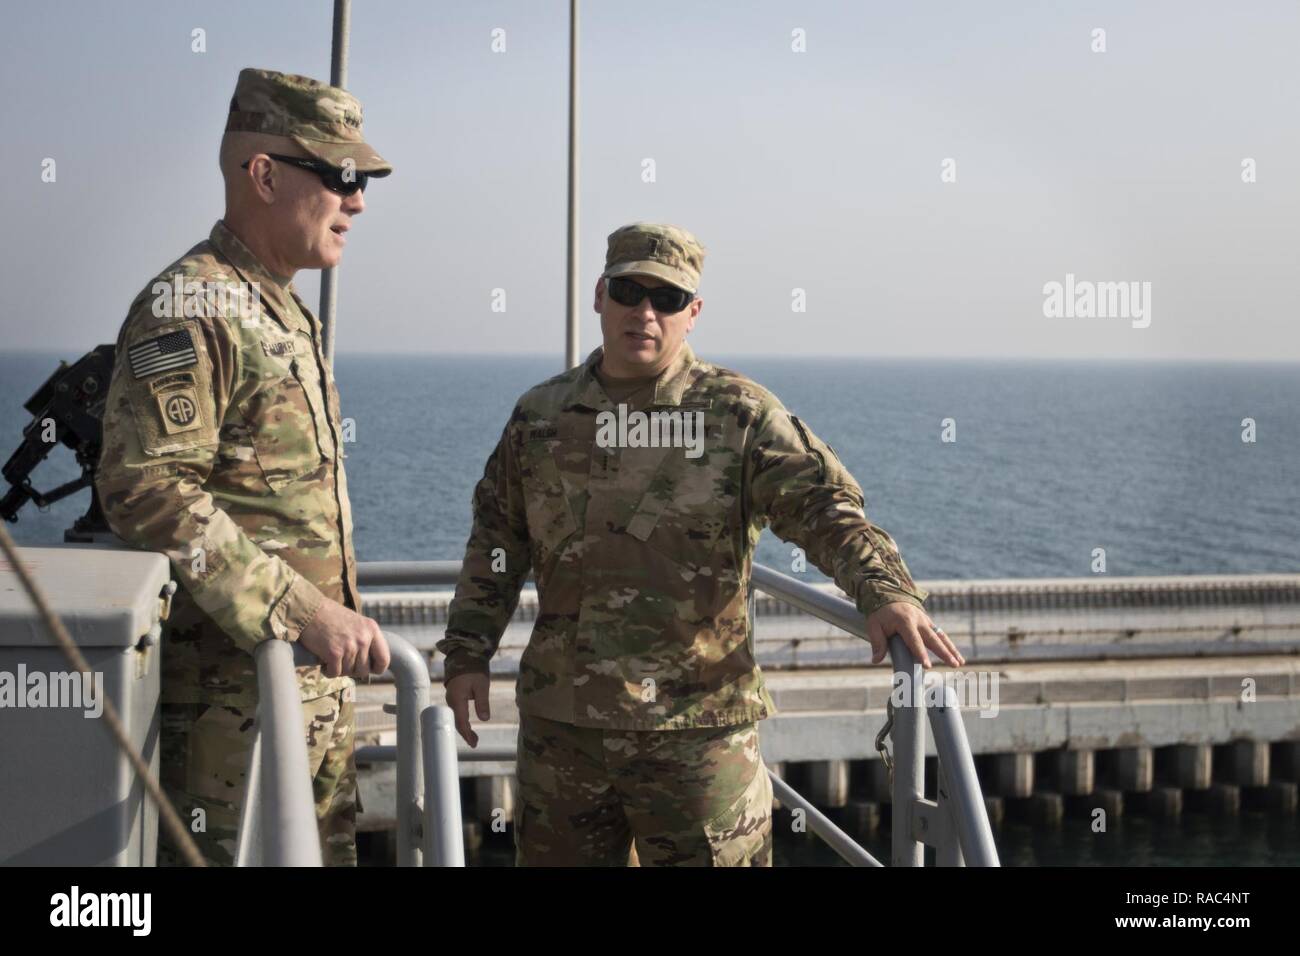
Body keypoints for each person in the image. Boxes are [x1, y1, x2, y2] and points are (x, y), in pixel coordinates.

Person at [438, 221, 964, 866]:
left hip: (697, 734)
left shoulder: (737, 414)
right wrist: (467, 651)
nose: (645, 312)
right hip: (564, 727)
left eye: (667, 299)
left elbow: (823, 508)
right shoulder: (540, 416)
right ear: (600, 295)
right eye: (630, 291)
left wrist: (883, 589)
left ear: (694, 313)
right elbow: (497, 537)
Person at [96, 68, 393, 866]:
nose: (358, 200)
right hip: (235, 711)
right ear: (264, 175)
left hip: (307, 699)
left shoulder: (282, 306)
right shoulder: (190, 304)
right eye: (339, 177)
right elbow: (146, 487)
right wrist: (301, 613)